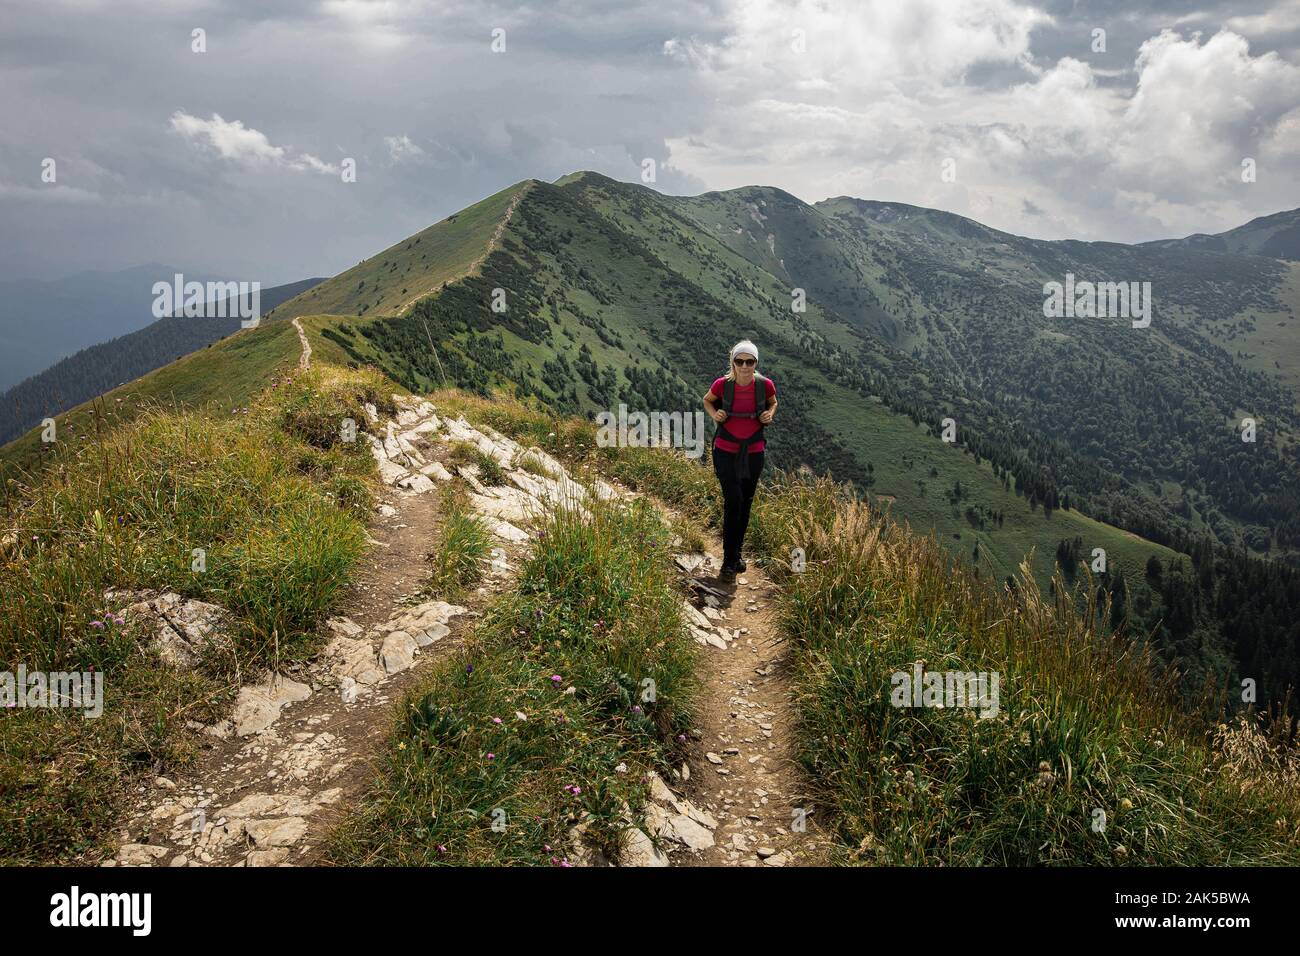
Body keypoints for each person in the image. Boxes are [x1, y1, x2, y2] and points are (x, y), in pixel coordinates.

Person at [703, 340, 777, 574]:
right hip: (725, 450)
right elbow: (707, 400)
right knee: (734, 500)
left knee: (745, 503)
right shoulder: (721, 385)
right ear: (732, 362)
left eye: (750, 361)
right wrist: (716, 414)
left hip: (754, 452)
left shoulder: (764, 386)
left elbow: (773, 402)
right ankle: (728, 561)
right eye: (739, 361)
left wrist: (769, 414)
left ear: (756, 363)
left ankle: (736, 555)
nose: (745, 366)